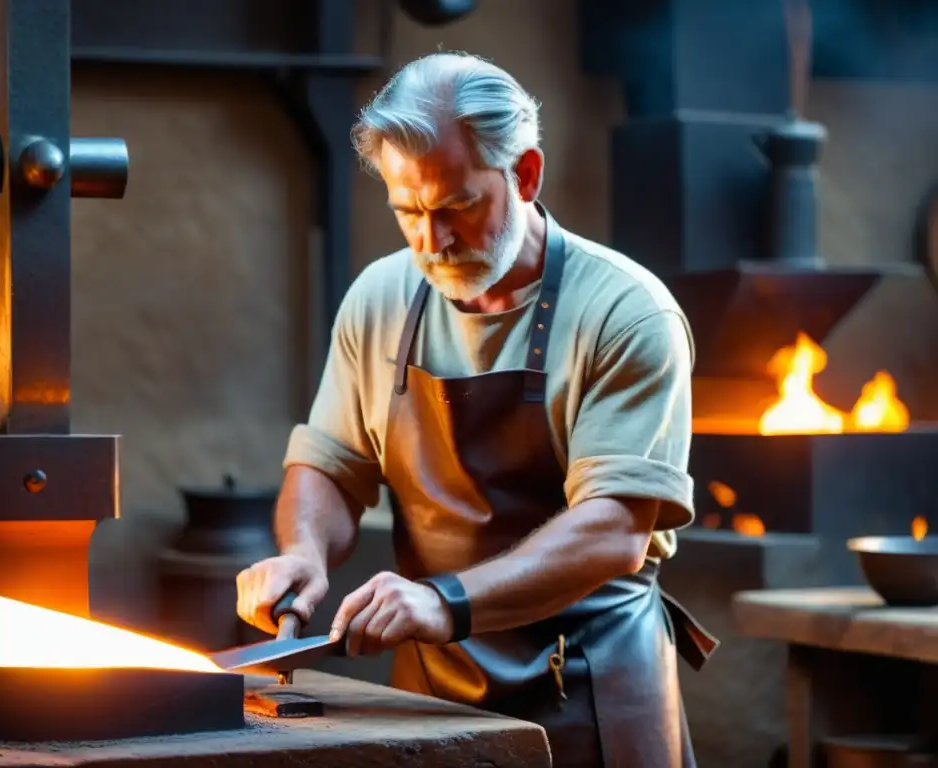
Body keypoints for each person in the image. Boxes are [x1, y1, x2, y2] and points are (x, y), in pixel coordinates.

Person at [237, 51, 717, 767]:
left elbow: (614, 528)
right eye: (409, 213)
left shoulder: (625, 311)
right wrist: (303, 551)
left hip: (590, 685)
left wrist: (442, 601)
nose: (433, 242)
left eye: (458, 206)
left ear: (524, 174)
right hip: (430, 692)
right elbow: (331, 465)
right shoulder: (381, 298)